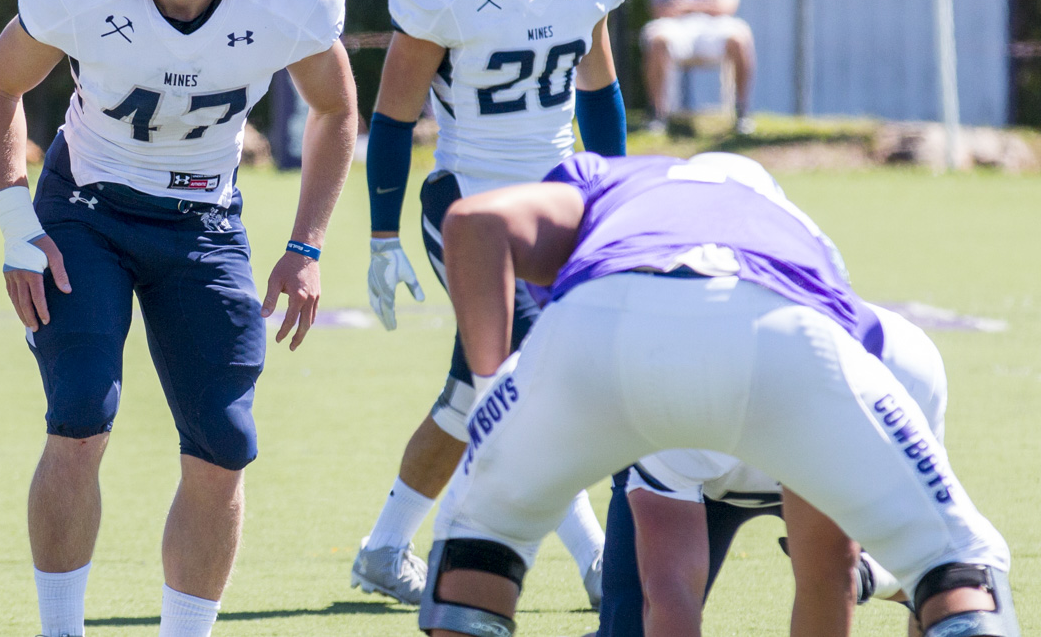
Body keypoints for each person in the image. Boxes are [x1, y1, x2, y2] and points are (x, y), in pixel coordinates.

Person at [0, 0, 357, 637]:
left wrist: (306, 245)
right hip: (87, 210)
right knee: (80, 415)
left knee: (223, 443)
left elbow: (334, 110)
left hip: (205, 219)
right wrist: (15, 221)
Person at [418, 151, 1017, 637]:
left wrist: (497, 394)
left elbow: (474, 222)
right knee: (957, 563)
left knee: (478, 547)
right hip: (784, 333)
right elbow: (826, 573)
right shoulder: (798, 234)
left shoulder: (611, 180)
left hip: (601, 335)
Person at [353, 0, 627, 608]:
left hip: (560, 195)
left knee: (479, 393)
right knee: (523, 371)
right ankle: (598, 559)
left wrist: (608, 190)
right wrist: (381, 234)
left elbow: (599, 89)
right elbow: (394, 116)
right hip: (468, 198)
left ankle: (382, 547)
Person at [597, 301, 948, 637]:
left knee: (943, 586)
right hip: (699, 472)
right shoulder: (678, 398)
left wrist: (872, 575)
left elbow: (931, 558)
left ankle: (868, 574)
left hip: (827, 461)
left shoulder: (906, 363)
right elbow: (670, 594)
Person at [640, 0, 756, 135]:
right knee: (657, 39)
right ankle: (657, 113)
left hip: (712, 29)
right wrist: (704, 4)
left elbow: (726, 6)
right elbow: (659, 9)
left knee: (740, 37)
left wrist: (688, 4)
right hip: (678, 29)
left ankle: (742, 111)